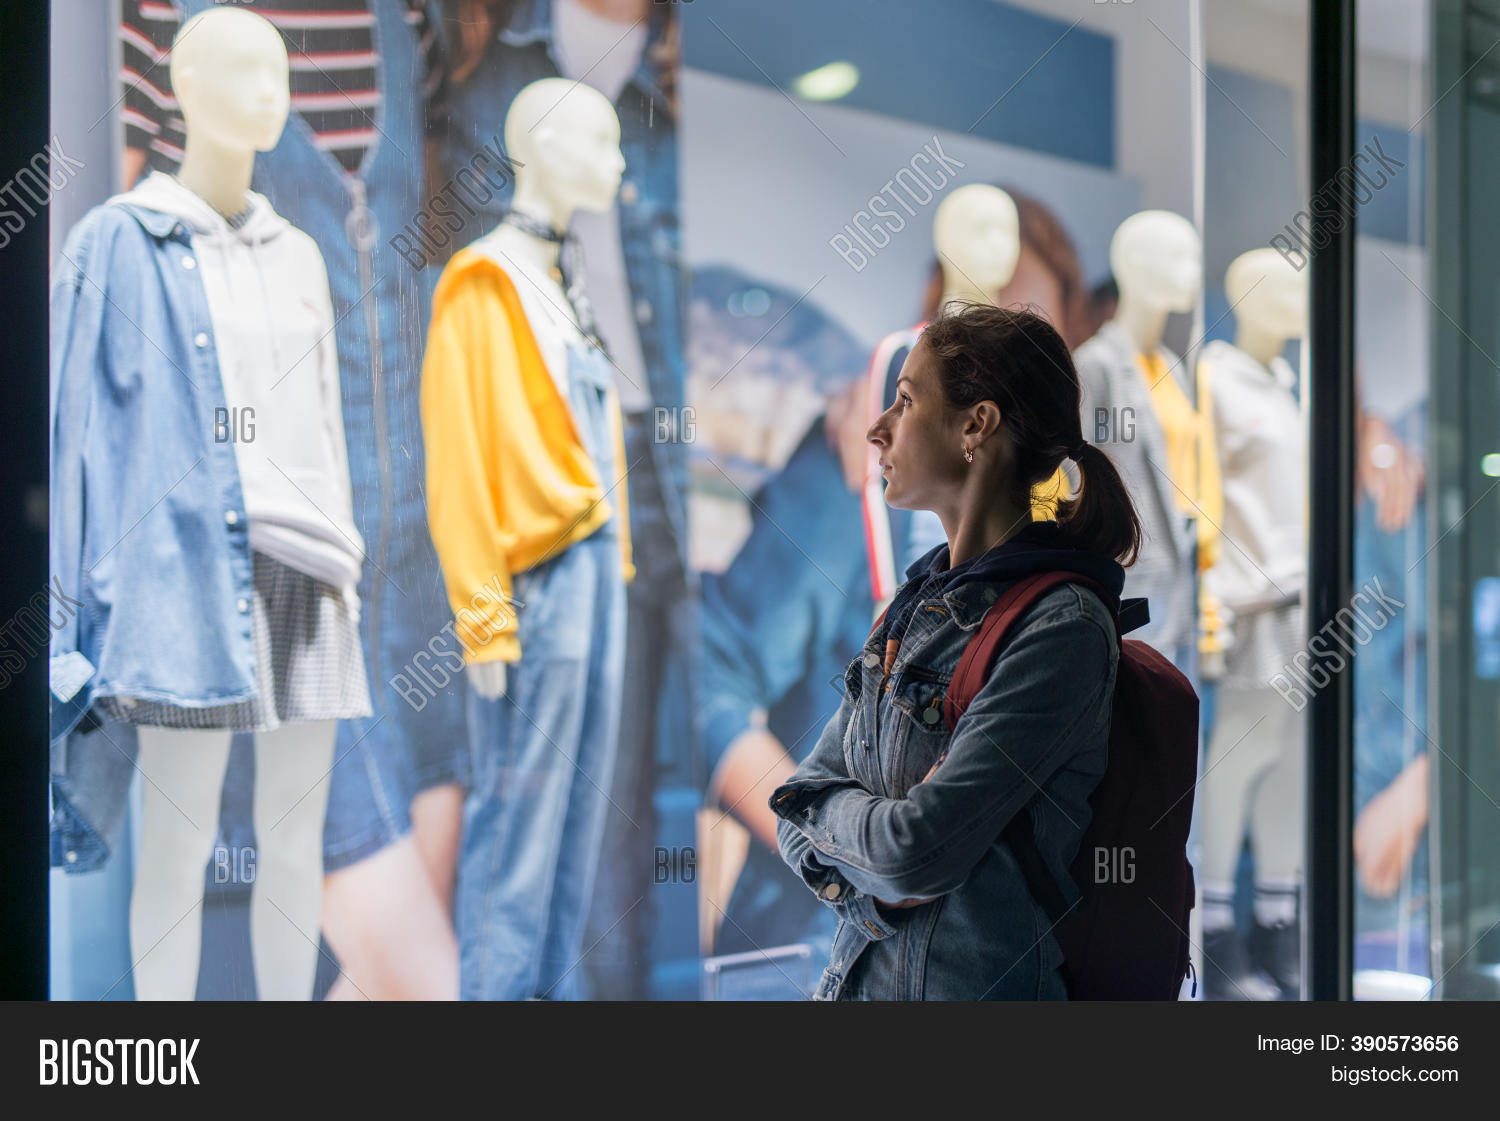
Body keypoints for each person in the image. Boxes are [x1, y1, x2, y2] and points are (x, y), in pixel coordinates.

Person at [771, 302, 1143, 1000]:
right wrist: (873, 872)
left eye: (906, 402)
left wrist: (838, 828)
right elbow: (796, 807)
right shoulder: (912, 607)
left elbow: (915, 852)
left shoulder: (1062, 627)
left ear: (976, 425)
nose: (877, 429)